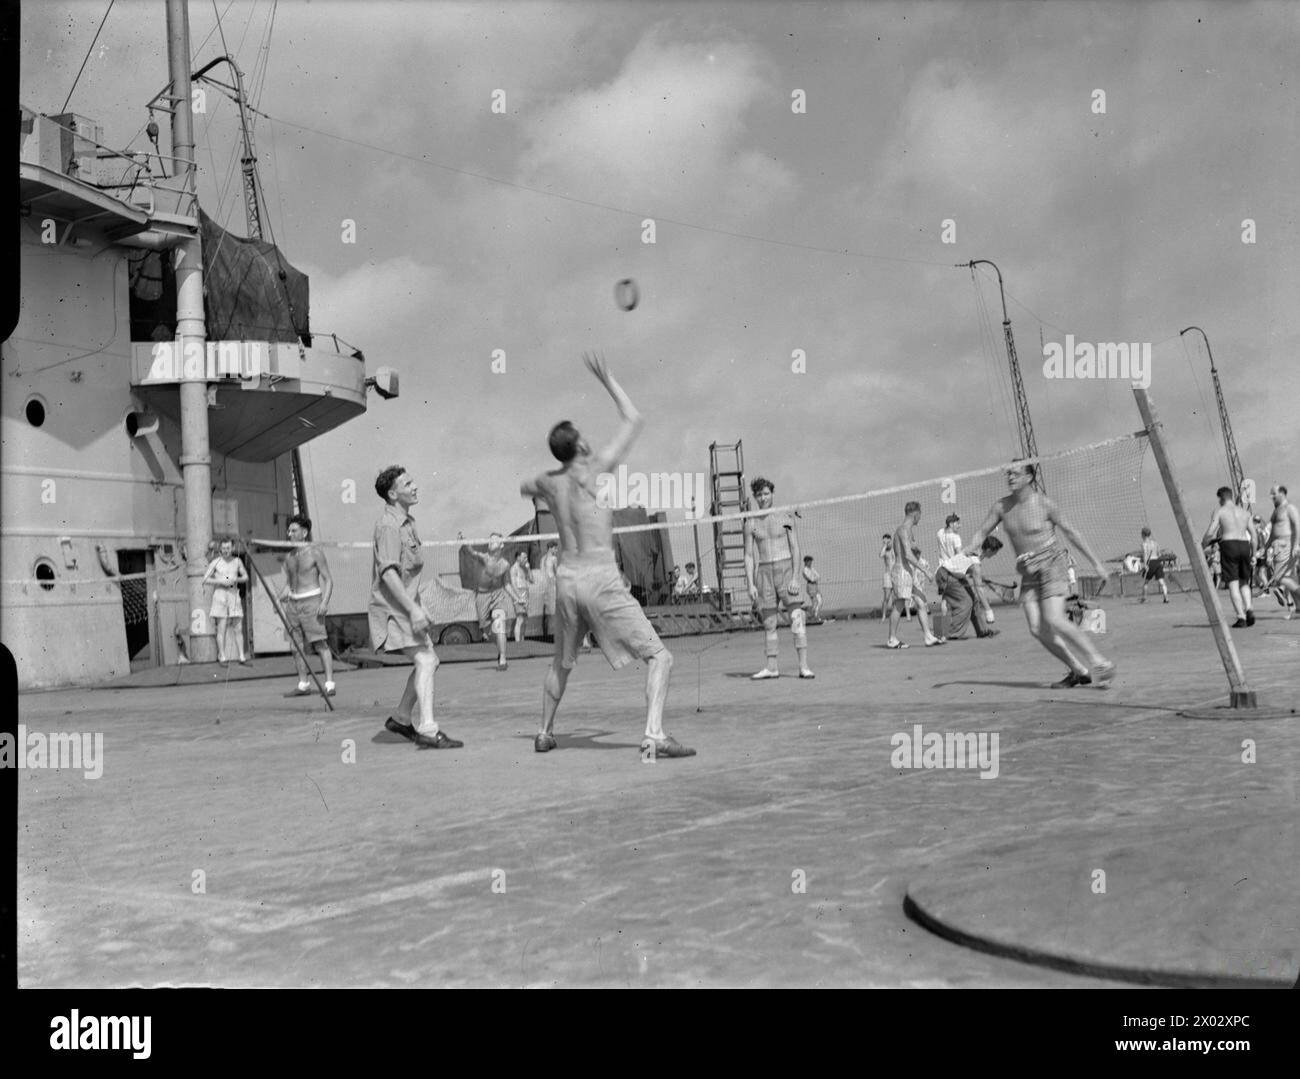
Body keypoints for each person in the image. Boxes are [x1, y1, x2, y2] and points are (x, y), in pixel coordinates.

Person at [520, 353, 691, 759]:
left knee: (561, 663)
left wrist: (550, 482)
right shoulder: (596, 468)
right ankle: (654, 735)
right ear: (579, 444)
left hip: (567, 582)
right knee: (660, 657)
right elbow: (634, 419)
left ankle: (543, 732)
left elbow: (526, 486)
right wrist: (609, 379)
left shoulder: (548, 481)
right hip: (599, 579)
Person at [962, 461, 1115, 687]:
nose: (1011, 477)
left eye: (1016, 474)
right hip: (1027, 570)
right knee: (1037, 629)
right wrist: (970, 547)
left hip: (1052, 563)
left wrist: (1096, 564)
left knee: (1055, 619)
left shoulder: (1045, 504)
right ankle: (1078, 671)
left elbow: (1071, 532)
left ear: (1029, 477)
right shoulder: (1001, 507)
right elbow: (982, 532)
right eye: (1009, 474)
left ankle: (1100, 662)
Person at [370, 466, 461, 749]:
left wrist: (417, 606)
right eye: (408, 483)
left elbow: (407, 574)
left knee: (429, 660)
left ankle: (401, 718)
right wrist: (412, 609)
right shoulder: (389, 526)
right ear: (392, 493)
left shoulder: (408, 523)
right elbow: (388, 573)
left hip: (405, 606)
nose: (415, 486)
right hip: (393, 609)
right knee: (426, 661)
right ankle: (428, 729)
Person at [744, 477, 814, 678]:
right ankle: (772, 667)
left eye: (766, 494)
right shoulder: (750, 523)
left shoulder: (786, 518)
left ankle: (804, 666)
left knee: (797, 618)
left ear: (772, 494)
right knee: (769, 623)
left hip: (785, 570)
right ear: (755, 497)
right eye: (759, 495)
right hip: (764, 572)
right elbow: (748, 555)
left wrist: (795, 578)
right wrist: (750, 584)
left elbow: (795, 548)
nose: (763, 498)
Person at [278, 514, 336, 696]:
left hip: (312, 602)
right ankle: (303, 684)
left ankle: (329, 684)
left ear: (304, 533)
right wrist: (280, 597)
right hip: (293, 604)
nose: (289, 534)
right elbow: (289, 583)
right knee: (295, 646)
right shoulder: (289, 556)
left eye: (294, 530)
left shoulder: (315, 552)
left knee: (319, 643)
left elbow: (328, 580)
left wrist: (325, 602)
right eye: (288, 531)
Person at [887, 502, 943, 649]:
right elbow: (907, 555)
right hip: (901, 572)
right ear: (915, 514)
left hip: (909, 571)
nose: (920, 518)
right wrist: (926, 571)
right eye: (920, 514)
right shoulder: (903, 530)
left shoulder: (908, 531)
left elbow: (910, 552)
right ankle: (892, 639)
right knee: (899, 604)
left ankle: (928, 636)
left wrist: (915, 549)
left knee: (921, 602)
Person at [1202, 485, 1256, 627]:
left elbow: (1210, 532)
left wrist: (1202, 546)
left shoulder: (1220, 511)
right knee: (1244, 581)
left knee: (1233, 583)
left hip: (1229, 544)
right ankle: (1249, 608)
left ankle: (1241, 617)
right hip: (1244, 544)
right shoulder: (1245, 513)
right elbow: (1254, 536)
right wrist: (1254, 554)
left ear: (1221, 499)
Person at [461, 531, 513, 669]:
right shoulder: (483, 558)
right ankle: (500, 650)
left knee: (499, 625)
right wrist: (464, 541)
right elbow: (472, 552)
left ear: (501, 545)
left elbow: (507, 584)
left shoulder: (505, 564)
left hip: (498, 595)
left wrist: (516, 597)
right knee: (488, 634)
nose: (490, 542)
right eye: (489, 540)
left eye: (494, 540)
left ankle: (503, 659)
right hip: (482, 596)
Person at [937, 513, 995, 624]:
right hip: (953, 571)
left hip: (942, 569)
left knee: (945, 601)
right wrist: (971, 570)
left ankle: (943, 628)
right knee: (969, 600)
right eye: (957, 523)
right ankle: (979, 624)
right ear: (951, 524)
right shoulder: (956, 538)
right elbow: (960, 557)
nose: (960, 526)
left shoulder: (939, 533)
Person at [201, 537, 249, 665]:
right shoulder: (215, 562)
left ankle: (241, 656)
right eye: (223, 548)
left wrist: (236, 579)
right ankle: (222, 656)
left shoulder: (237, 561)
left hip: (233, 593)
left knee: (238, 627)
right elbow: (205, 579)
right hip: (220, 593)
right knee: (221, 627)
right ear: (220, 549)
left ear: (232, 548)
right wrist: (220, 581)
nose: (226, 550)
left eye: (228, 548)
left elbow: (245, 577)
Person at [933, 563, 999, 640]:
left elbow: (962, 569)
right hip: (947, 575)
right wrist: (988, 611)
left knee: (973, 600)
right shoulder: (974, 562)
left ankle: (982, 630)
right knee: (965, 602)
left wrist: (975, 576)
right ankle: (950, 633)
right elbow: (978, 589)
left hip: (951, 575)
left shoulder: (973, 560)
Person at [1263, 484, 1299, 618]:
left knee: (1280, 577)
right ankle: (1297, 611)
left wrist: (1295, 545)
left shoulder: (1290, 508)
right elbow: (1273, 533)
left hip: (1288, 545)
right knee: (1290, 579)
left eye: (1274, 493)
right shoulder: (1276, 511)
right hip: (1278, 546)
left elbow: (1297, 525)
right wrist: (1265, 548)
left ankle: (1292, 601)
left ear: (1282, 494)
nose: (1271, 496)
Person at [1138, 527, 1169, 604]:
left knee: (1146, 582)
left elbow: (1145, 554)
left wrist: (1145, 564)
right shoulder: (1155, 543)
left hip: (1150, 562)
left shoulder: (1144, 544)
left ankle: (1144, 598)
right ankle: (1166, 597)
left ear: (1143, 535)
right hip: (1157, 562)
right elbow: (1159, 554)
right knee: (1161, 581)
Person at [508, 549, 532, 643]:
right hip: (519, 594)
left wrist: (528, 568)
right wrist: (519, 597)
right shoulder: (513, 569)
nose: (526, 559)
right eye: (524, 557)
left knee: (525, 620)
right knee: (520, 618)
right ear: (518, 557)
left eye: (526, 557)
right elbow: (513, 584)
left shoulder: (523, 568)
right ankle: (518, 642)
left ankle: (522, 641)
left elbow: (531, 580)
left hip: (525, 594)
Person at [541, 542, 559, 636]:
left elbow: (542, 574)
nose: (556, 550)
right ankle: (554, 633)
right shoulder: (553, 558)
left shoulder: (542, 559)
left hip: (545, 585)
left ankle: (548, 633)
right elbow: (557, 572)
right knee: (553, 610)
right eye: (555, 548)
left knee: (548, 610)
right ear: (550, 548)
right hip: (551, 585)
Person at [879, 534, 895, 621]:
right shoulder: (885, 551)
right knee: (887, 596)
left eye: (887, 541)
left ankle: (894, 615)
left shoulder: (895, 549)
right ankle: (884, 615)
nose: (886, 543)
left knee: (896, 597)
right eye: (884, 542)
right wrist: (885, 545)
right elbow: (881, 555)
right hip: (888, 575)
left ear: (890, 540)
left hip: (896, 575)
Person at [802, 555, 823, 620]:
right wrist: (815, 577)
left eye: (811, 562)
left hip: (815, 586)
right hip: (810, 586)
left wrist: (815, 577)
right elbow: (811, 579)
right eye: (809, 561)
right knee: (815, 602)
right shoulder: (805, 570)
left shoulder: (812, 569)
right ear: (806, 562)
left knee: (820, 601)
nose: (810, 563)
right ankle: (814, 616)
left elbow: (818, 576)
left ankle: (814, 615)